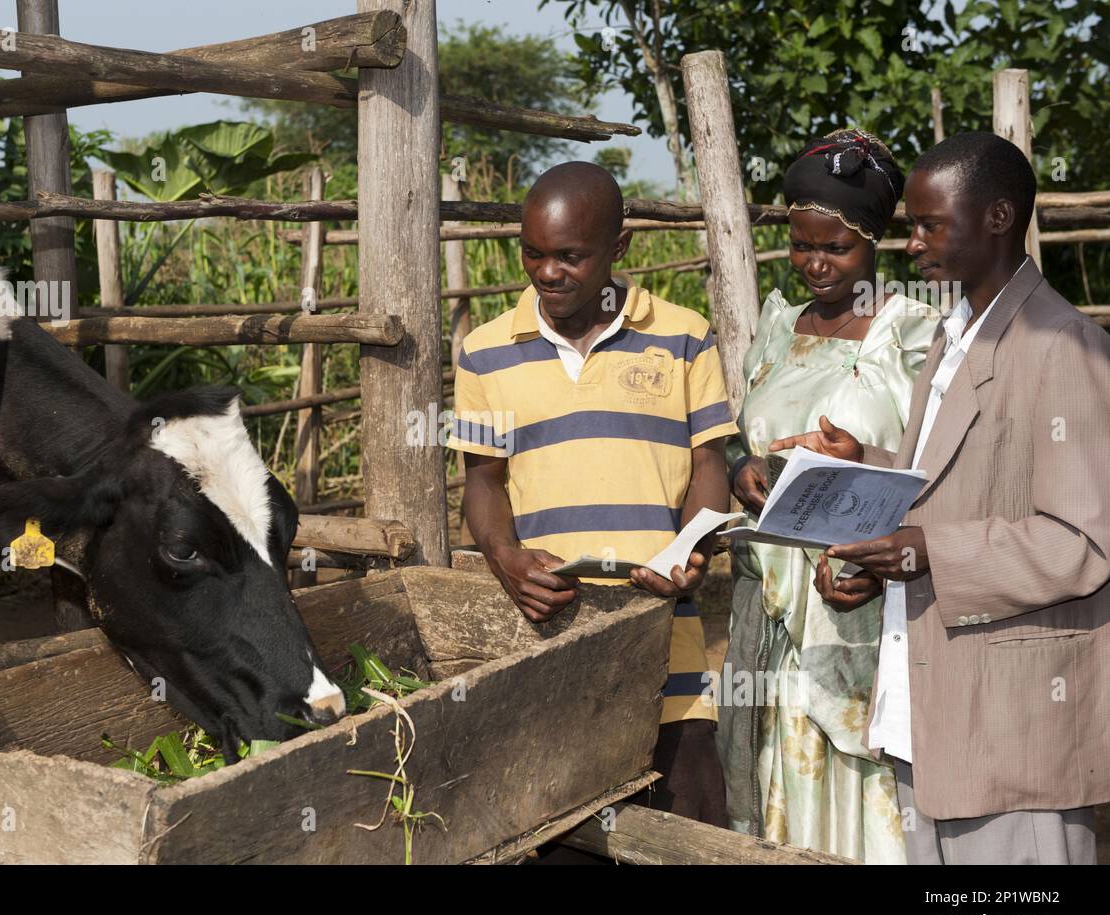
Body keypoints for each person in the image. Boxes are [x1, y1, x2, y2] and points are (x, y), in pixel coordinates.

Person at [774, 131, 1110, 864]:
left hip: (1014, 732)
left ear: (996, 218)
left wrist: (926, 551)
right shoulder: (954, 336)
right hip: (933, 708)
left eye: (930, 225)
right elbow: (958, 480)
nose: (912, 243)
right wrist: (866, 463)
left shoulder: (1065, 348)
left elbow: (1082, 544)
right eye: (910, 227)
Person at [449, 161, 738, 823]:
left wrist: (691, 549)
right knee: (560, 839)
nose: (548, 272)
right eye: (533, 253)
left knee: (685, 827)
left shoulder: (684, 336)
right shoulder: (485, 353)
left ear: (619, 247)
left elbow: (709, 466)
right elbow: (483, 485)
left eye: (571, 256)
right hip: (551, 649)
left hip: (668, 647)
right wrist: (508, 560)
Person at [720, 129, 937, 863]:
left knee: (871, 810)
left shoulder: (913, 336)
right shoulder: (778, 331)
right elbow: (753, 436)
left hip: (868, 618)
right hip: (781, 628)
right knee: (785, 800)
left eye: (836, 249)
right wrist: (744, 470)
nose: (815, 263)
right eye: (801, 245)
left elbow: (942, 471)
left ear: (876, 243)